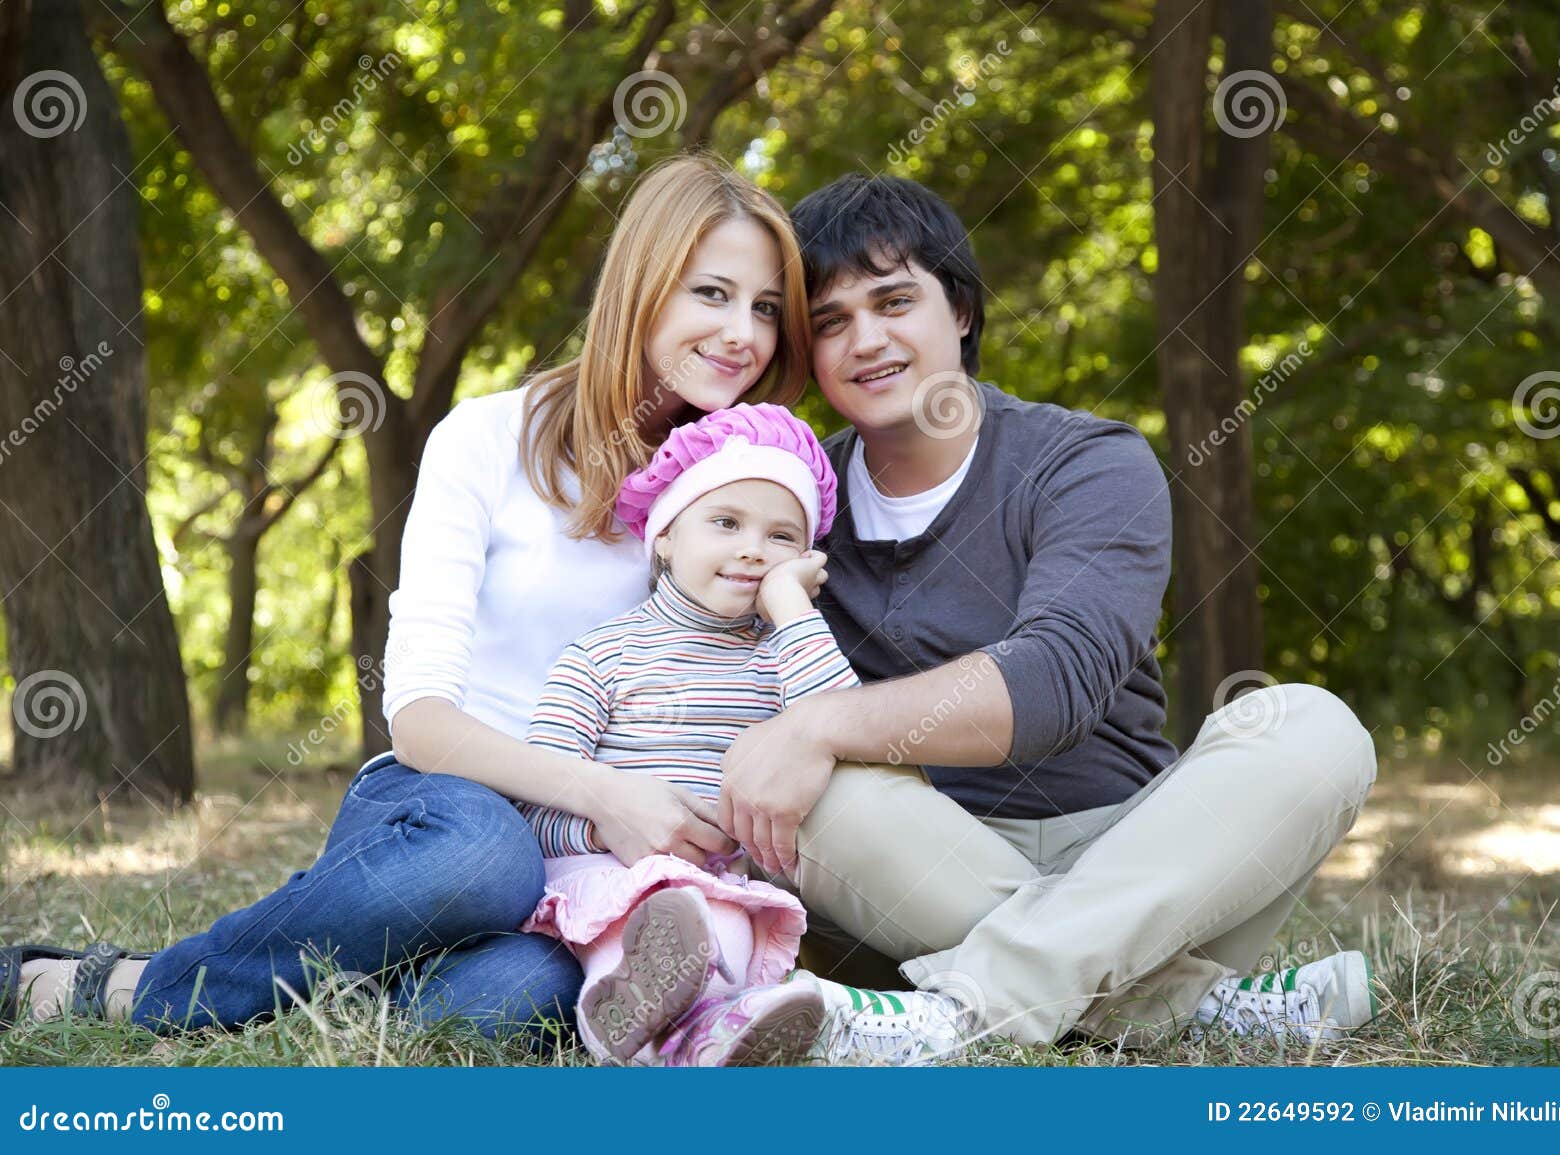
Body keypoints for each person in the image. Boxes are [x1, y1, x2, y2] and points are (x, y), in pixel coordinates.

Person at [0, 152, 812, 1040]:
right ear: (642, 287)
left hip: (593, 877)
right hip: (444, 811)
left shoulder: (755, 496)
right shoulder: (488, 437)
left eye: (766, 307)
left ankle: (337, 992)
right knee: (484, 859)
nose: (745, 332)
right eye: (713, 293)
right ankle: (137, 984)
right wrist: (607, 792)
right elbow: (420, 717)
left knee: (516, 998)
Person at [712, 174, 1381, 1064]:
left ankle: (965, 1010)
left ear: (959, 310)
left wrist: (821, 723)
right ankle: (1193, 1007)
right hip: (919, 864)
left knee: (1311, 727)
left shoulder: (1085, 461)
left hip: (1143, 850)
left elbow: (1052, 681)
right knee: (811, 795)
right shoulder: (793, 503)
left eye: (895, 300)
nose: (865, 340)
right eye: (830, 321)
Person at [518, 403, 858, 1066]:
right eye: (725, 522)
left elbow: (843, 728)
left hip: (719, 883)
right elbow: (535, 800)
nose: (754, 547)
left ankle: (698, 1037)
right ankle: (641, 1021)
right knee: (661, 927)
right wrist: (599, 832)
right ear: (666, 536)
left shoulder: (785, 654)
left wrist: (790, 606)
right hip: (605, 872)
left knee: (715, 923)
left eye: (783, 537)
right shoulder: (601, 654)